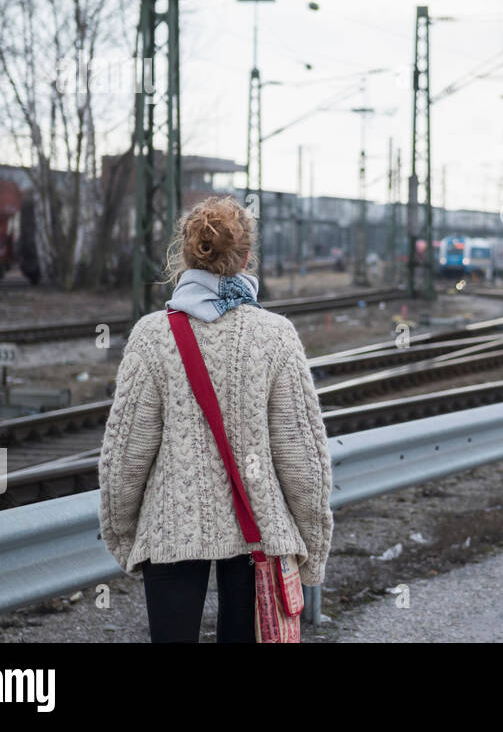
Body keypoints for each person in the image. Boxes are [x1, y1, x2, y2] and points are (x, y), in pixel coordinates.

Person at [99, 195, 332, 642]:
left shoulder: (152, 336)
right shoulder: (275, 336)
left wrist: (125, 535)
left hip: (170, 530)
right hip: (259, 535)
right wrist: (313, 546)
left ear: (185, 257)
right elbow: (303, 459)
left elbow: (125, 457)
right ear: (247, 258)